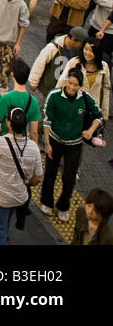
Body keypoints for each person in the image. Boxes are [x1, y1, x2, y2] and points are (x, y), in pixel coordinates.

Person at [40, 66, 104, 221]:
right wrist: (47, 144)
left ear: (80, 86)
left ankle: (63, 205)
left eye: (75, 85)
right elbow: (47, 121)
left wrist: (90, 131)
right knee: (50, 173)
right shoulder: (54, 96)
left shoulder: (86, 98)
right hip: (55, 140)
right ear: (66, 81)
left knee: (69, 178)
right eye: (70, 83)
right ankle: (46, 201)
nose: (72, 87)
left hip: (75, 144)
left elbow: (98, 116)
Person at [0, 105, 42, 245]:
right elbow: (38, 177)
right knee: (6, 220)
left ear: (8, 123)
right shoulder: (34, 148)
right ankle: (5, 236)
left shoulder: (0, 142)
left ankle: (0, 239)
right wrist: (29, 182)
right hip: (19, 195)